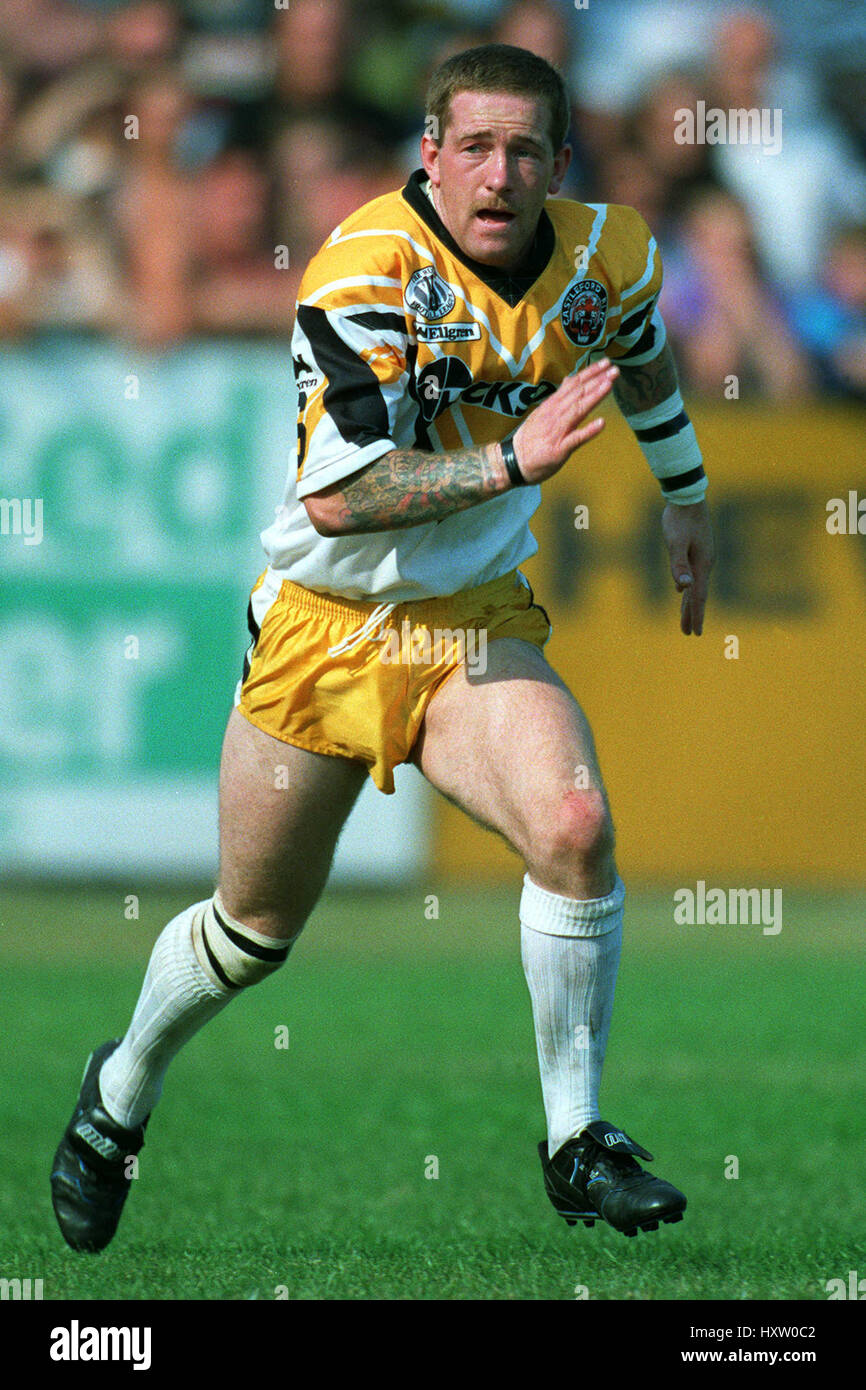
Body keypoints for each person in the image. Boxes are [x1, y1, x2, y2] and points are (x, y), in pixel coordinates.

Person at [51, 43, 714, 1252]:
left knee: (571, 828)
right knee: (251, 937)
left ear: (556, 164)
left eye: (522, 149)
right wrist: (512, 462)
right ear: (430, 153)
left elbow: (639, 343)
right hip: (324, 628)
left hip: (470, 620)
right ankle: (120, 1087)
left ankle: (577, 1140)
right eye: (473, 145)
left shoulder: (606, 251)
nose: (497, 173)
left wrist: (685, 488)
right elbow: (341, 499)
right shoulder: (364, 270)